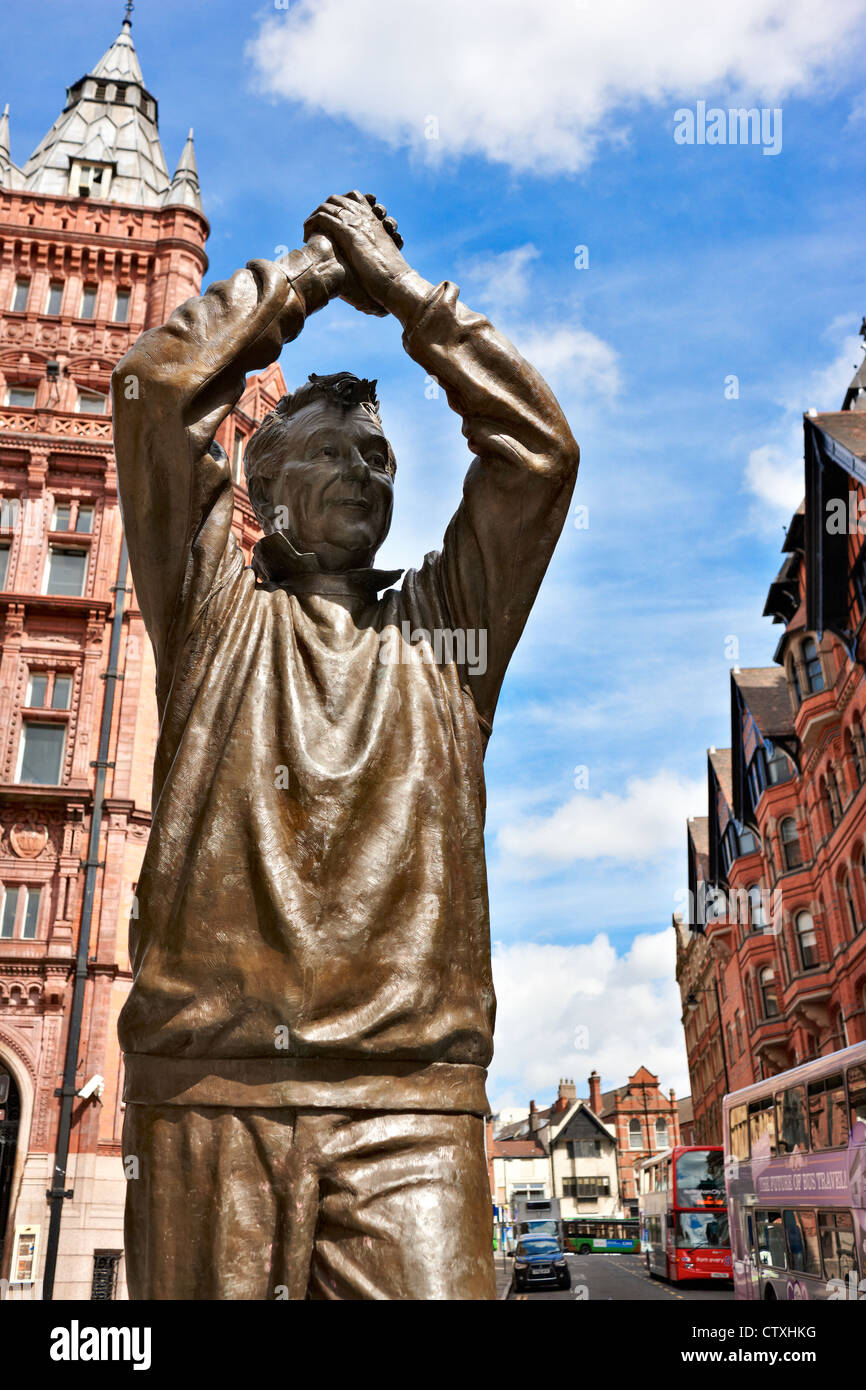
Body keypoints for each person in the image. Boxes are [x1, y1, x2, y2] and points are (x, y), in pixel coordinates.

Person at [113, 191, 580, 1299]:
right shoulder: (211, 613)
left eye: (379, 459)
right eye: (332, 452)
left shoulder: (447, 633)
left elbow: (536, 456)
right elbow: (155, 390)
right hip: (210, 1090)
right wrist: (312, 275)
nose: (367, 473)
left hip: (411, 1103)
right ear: (264, 490)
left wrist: (411, 298)